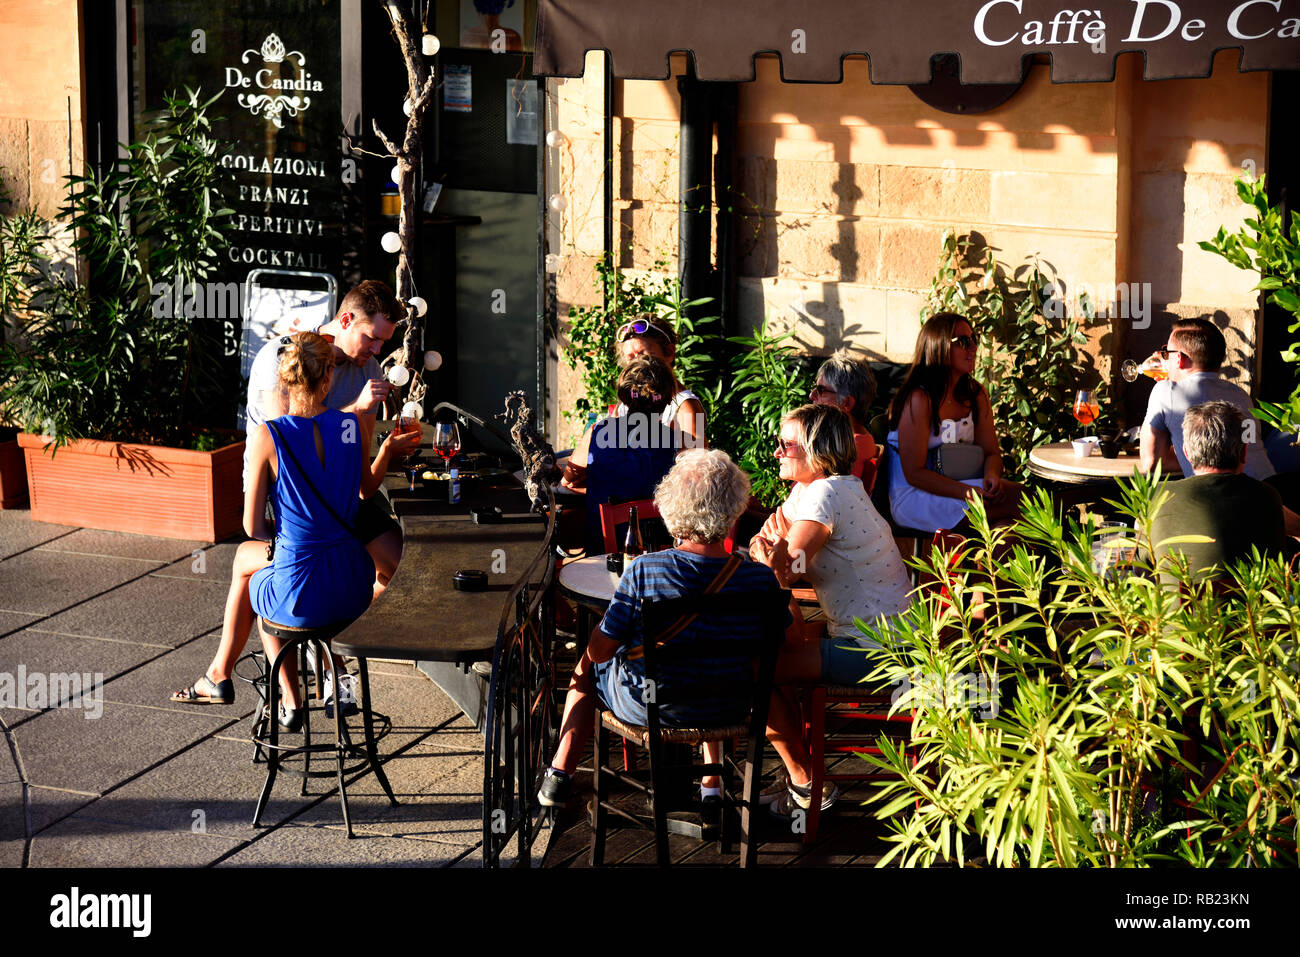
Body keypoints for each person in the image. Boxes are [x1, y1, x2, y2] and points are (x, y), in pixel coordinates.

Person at [171, 282, 419, 707]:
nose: (377, 351)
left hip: (341, 502)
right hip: (293, 498)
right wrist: (356, 411)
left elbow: (351, 475)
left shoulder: (369, 373)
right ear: (345, 321)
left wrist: (386, 449)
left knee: (403, 570)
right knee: (295, 571)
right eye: (372, 337)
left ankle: (306, 668)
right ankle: (305, 676)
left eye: (384, 341)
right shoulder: (281, 358)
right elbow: (289, 436)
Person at [538, 449, 786, 809]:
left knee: (587, 667)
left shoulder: (643, 571)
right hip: (732, 705)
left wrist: (599, 642)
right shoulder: (759, 578)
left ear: (672, 506)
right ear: (734, 508)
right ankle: (712, 784)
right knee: (708, 656)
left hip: (653, 707)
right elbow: (778, 643)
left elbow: (601, 651)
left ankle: (559, 775)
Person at [749, 404, 912, 818]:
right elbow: (770, 544)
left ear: (816, 451)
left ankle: (806, 782)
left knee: (756, 669)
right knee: (775, 650)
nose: (776, 452)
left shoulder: (826, 495)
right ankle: (800, 775)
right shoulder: (820, 488)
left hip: (879, 652)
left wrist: (771, 563)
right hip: (883, 635)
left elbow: (780, 570)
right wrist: (771, 557)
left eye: (786, 445)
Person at [239, 333, 384, 729]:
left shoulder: (268, 435)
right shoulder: (349, 425)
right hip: (353, 586)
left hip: (300, 588)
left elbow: (251, 526)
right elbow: (363, 490)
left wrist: (293, 533)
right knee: (288, 588)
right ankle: (334, 674)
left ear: (286, 380)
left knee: (255, 585)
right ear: (329, 379)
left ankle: (291, 699)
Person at [885, 312, 1021, 532]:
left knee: (1008, 529)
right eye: (964, 342)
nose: (974, 348)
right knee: (1027, 501)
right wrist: (967, 492)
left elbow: (991, 453)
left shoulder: (975, 393)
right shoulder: (920, 399)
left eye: (974, 339)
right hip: (916, 497)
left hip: (964, 487)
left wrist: (992, 476)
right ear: (939, 347)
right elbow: (914, 474)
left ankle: (988, 565)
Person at [1150, 400, 1289, 581]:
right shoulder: (1267, 497)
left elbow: (1143, 568)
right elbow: (1279, 567)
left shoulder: (1158, 498)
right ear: (1244, 452)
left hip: (1177, 609)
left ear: (1186, 453)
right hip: (1251, 608)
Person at [562, 356, 684, 555]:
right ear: (668, 399)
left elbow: (567, 480)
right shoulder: (675, 441)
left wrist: (598, 485)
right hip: (655, 553)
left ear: (624, 396)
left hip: (601, 552)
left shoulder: (598, 432)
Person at [1139, 317, 1275, 481]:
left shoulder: (1165, 391)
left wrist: (1190, 456)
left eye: (1167, 353)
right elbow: (1249, 449)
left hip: (1230, 499)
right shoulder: (1240, 394)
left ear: (1179, 359)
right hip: (1270, 489)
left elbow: (1150, 462)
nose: (1164, 358)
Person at [613, 313, 707, 446]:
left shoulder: (686, 406)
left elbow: (698, 459)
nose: (638, 364)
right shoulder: (626, 403)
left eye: (644, 355)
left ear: (669, 352)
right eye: (631, 358)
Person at [810, 350, 879, 482]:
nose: (812, 396)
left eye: (820, 390)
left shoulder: (846, 449)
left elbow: (825, 500)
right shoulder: (851, 442)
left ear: (846, 403)